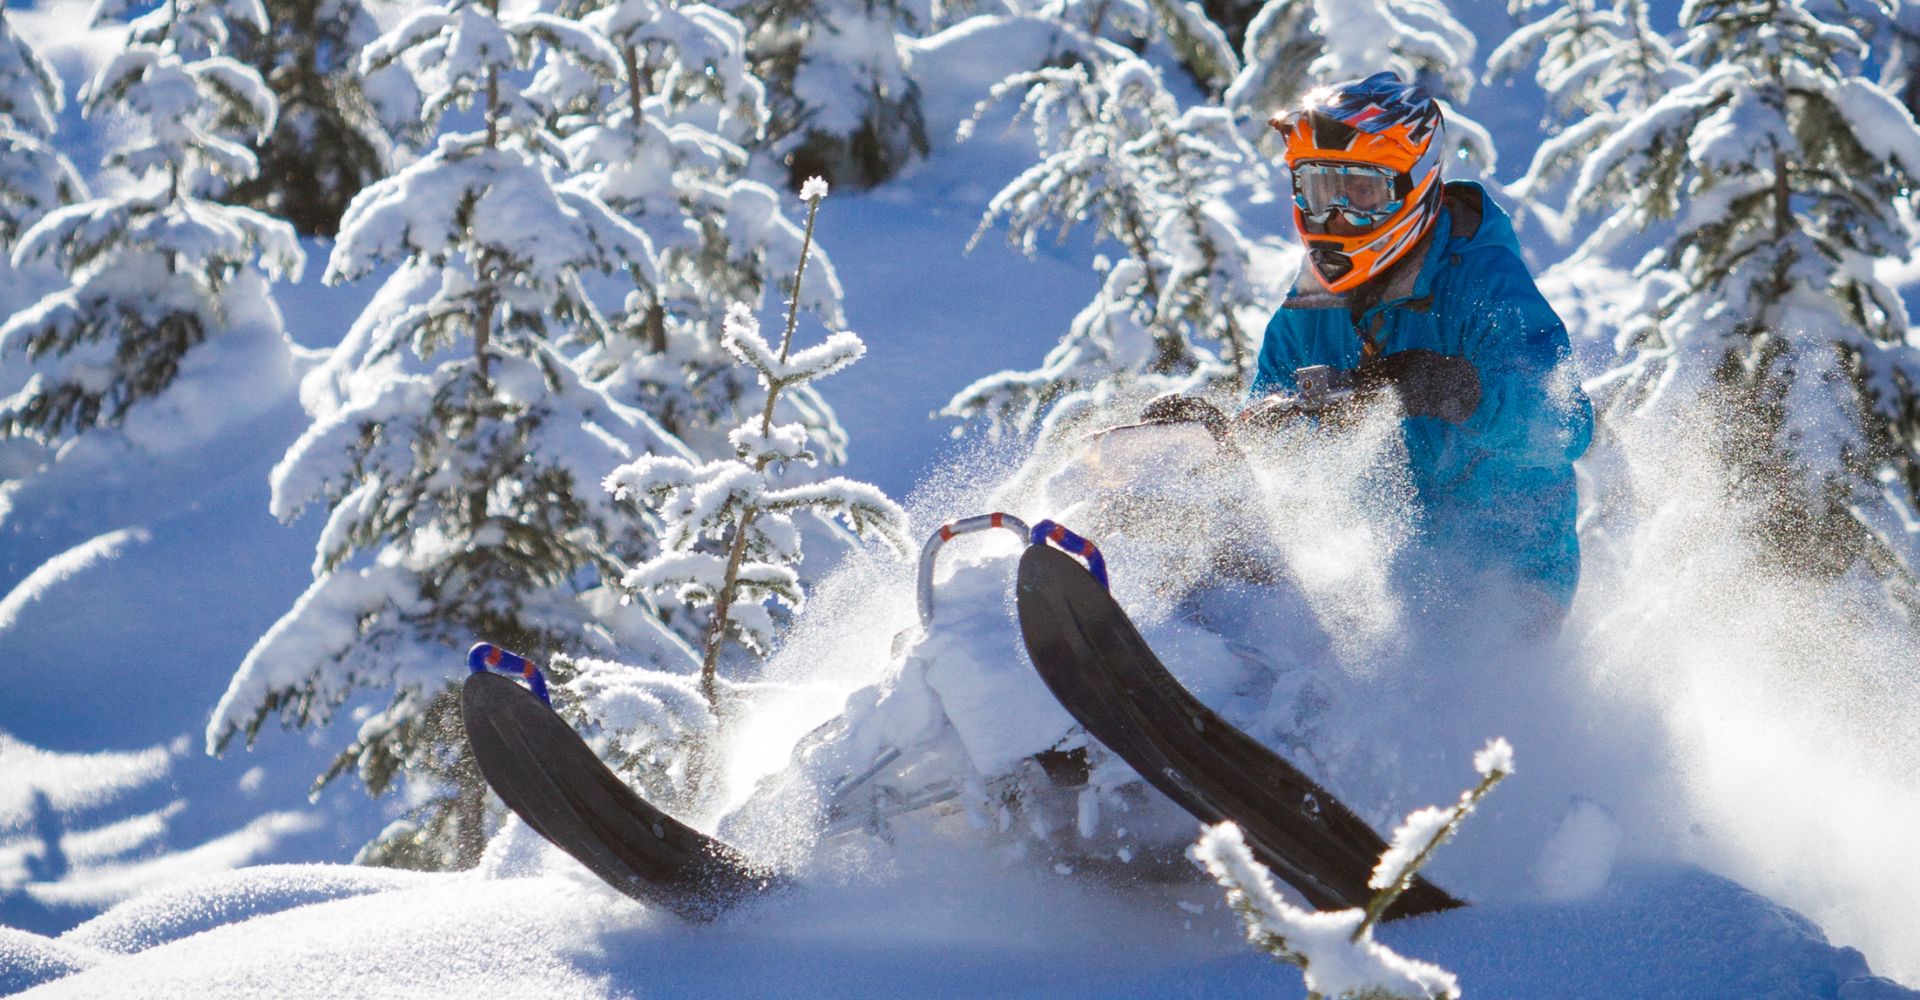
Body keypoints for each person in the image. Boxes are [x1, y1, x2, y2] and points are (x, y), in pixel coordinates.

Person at [1241, 71, 1594, 623]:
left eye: (1362, 192)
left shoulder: (1482, 283)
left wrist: (1462, 392)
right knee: (1262, 592)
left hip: (1506, 580)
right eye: (1319, 190)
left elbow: (1566, 426)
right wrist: (1242, 434)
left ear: (1416, 183)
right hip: (1377, 568)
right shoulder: (1309, 308)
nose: (1337, 216)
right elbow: (1270, 435)